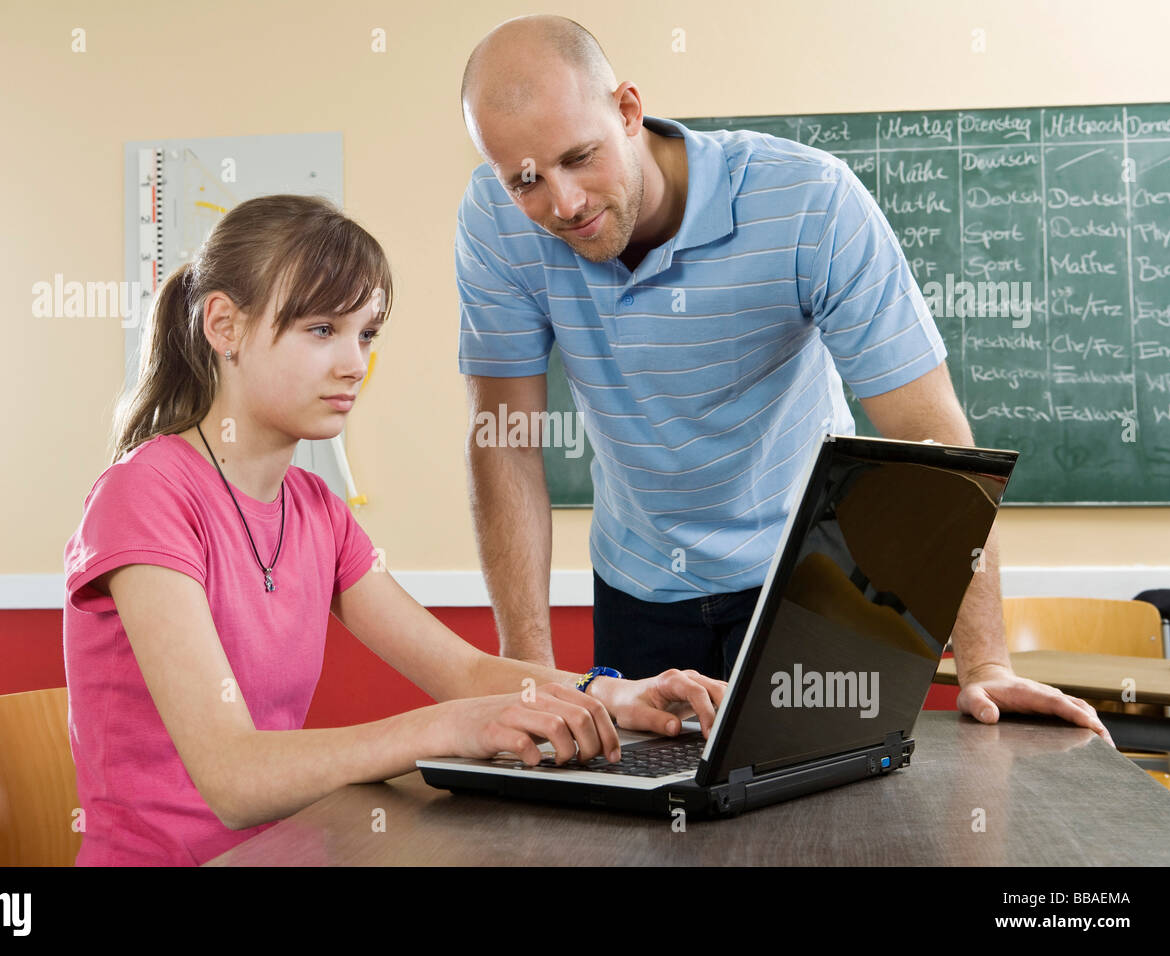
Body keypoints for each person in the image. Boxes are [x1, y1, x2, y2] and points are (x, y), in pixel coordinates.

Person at [455, 15, 1112, 742]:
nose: (564, 203)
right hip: (637, 584)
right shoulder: (496, 224)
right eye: (525, 181)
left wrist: (985, 662)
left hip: (811, 580)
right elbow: (506, 441)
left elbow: (927, 435)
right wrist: (533, 681)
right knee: (650, 833)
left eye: (581, 157)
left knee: (825, 824)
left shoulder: (809, 200)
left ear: (629, 111)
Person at [62, 194, 727, 866]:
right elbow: (233, 776)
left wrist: (615, 694)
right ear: (225, 325)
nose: (355, 363)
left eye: (366, 333)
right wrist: (445, 729)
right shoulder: (143, 493)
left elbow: (461, 669)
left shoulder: (315, 508)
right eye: (322, 330)